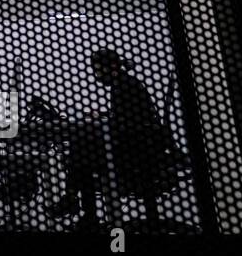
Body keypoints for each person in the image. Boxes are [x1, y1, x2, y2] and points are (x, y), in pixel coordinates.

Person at [46, 48, 174, 221]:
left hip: (135, 149)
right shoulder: (125, 83)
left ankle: (80, 207)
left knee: (82, 150)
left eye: (99, 70)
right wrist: (104, 116)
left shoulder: (123, 86)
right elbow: (125, 116)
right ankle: (77, 205)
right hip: (137, 144)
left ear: (111, 66)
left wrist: (102, 121)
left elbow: (126, 123)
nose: (98, 75)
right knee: (83, 152)